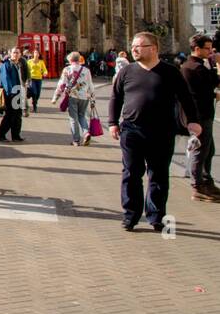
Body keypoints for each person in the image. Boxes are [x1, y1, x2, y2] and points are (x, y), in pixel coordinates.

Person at [109, 31, 202, 231]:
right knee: (131, 173)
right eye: (132, 45)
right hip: (132, 130)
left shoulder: (170, 72)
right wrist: (112, 123)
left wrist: (193, 121)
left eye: (138, 46)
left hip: (162, 131)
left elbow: (186, 98)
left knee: (158, 175)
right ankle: (131, 215)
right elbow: (115, 97)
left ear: (153, 48)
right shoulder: (127, 71)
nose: (133, 49)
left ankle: (156, 215)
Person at [180, 33, 220, 201]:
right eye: (208, 49)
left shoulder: (194, 66)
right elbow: (215, 82)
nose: (210, 52)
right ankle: (198, 186)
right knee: (201, 150)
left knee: (209, 150)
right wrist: (218, 63)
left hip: (202, 112)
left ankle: (206, 180)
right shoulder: (195, 67)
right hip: (200, 114)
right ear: (197, 49)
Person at [51, 50, 95, 146]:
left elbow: (61, 84)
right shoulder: (86, 70)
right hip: (84, 97)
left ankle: (76, 140)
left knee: (73, 118)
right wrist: (92, 95)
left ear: (70, 60)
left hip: (72, 96)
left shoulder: (67, 70)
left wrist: (55, 98)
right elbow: (90, 84)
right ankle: (86, 133)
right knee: (82, 116)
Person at [0, 47, 27, 142]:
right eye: (14, 52)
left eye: (17, 53)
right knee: (10, 115)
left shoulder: (20, 64)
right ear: (10, 54)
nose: (16, 54)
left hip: (19, 91)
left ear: (20, 54)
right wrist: (11, 93)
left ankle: (16, 135)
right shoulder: (6, 65)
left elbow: (23, 77)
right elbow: (6, 80)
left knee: (18, 115)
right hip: (11, 93)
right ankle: (1, 134)